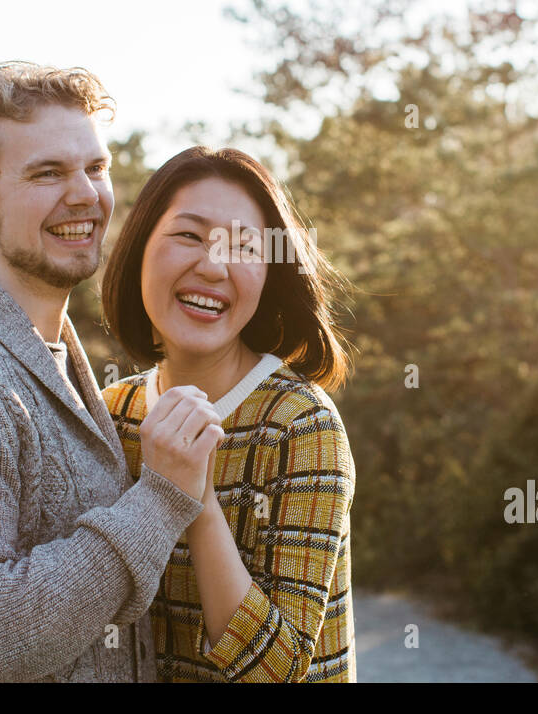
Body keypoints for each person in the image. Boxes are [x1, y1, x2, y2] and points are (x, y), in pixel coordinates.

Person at [0, 61, 223, 681]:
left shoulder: (51, 352)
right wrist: (159, 501)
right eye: (47, 173)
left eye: (95, 167)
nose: (85, 194)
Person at [101, 147, 357, 682]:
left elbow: (278, 674)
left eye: (242, 247)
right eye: (189, 236)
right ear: (139, 248)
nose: (213, 266)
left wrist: (192, 496)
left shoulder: (300, 424)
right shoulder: (111, 413)